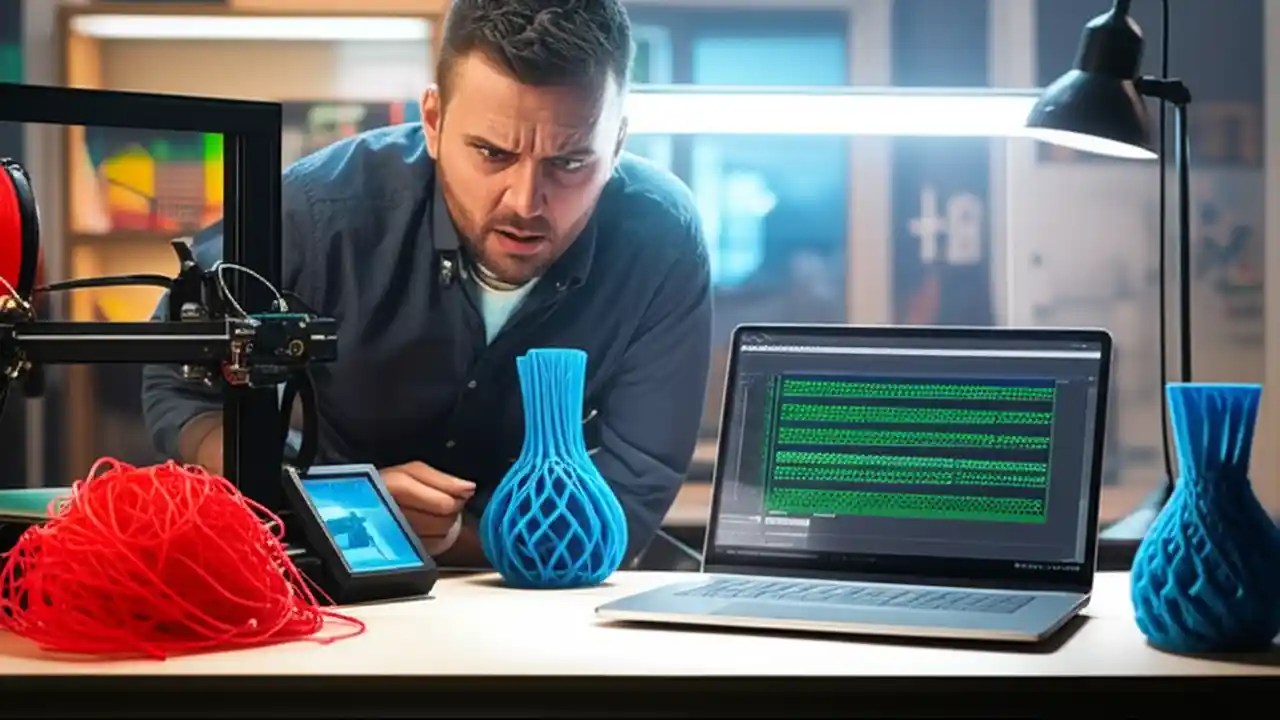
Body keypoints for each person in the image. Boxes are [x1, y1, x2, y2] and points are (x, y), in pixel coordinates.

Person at [140, 0, 712, 568]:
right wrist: (322, 501)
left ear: (616, 144)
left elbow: (629, 500)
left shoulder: (661, 241)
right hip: (326, 576)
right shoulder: (315, 213)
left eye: (569, 163)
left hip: (546, 599)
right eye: (492, 152)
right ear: (434, 123)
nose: (524, 202)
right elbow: (176, 378)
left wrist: (451, 539)